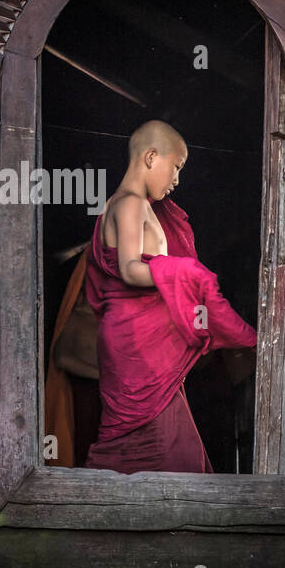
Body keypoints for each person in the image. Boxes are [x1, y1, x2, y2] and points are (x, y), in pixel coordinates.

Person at [83, 119, 258, 474]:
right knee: (156, 439)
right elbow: (130, 269)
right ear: (150, 157)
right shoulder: (129, 203)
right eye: (176, 167)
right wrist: (183, 273)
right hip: (134, 340)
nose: (177, 179)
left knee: (171, 436)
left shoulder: (139, 206)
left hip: (142, 341)